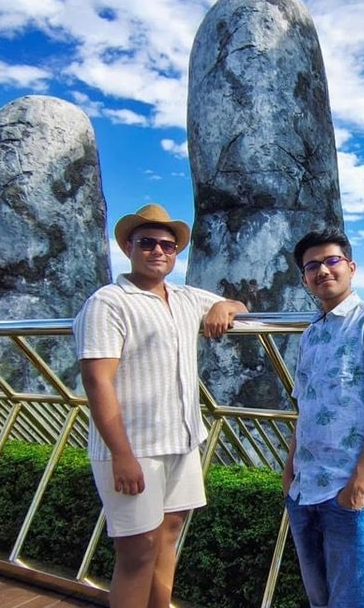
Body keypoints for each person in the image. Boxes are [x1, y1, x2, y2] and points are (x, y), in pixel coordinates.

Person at [73, 203, 247, 608]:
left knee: (168, 536)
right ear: (128, 247)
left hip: (181, 441)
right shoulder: (108, 303)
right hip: (134, 447)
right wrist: (122, 456)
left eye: (167, 246)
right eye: (146, 242)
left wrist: (224, 307)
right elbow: (97, 381)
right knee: (136, 551)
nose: (158, 251)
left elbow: (237, 305)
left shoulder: (185, 298)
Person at [283, 228, 364, 608]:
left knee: (352, 598)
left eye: (332, 261)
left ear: (350, 267)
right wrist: (289, 472)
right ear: (304, 278)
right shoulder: (309, 335)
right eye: (312, 265)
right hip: (304, 487)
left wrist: (359, 482)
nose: (323, 270)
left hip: (347, 488)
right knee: (318, 596)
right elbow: (305, 408)